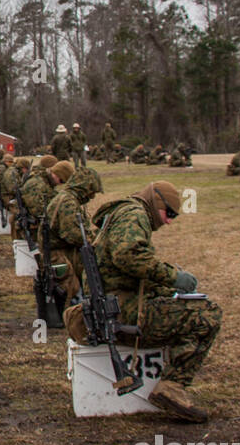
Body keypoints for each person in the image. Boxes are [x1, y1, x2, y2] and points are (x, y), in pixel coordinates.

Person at [91, 180, 221, 422]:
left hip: (114, 307)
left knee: (186, 308)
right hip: (124, 313)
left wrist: (164, 286)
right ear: (156, 202)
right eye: (168, 213)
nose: (169, 221)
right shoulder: (134, 214)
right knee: (208, 314)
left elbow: (127, 267)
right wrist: (173, 277)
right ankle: (172, 387)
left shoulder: (124, 213)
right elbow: (127, 256)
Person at [40, 166, 103, 301]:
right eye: (91, 192)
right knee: (72, 293)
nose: (92, 196)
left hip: (61, 252)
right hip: (58, 255)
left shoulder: (66, 198)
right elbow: (73, 235)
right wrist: (95, 239)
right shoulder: (67, 201)